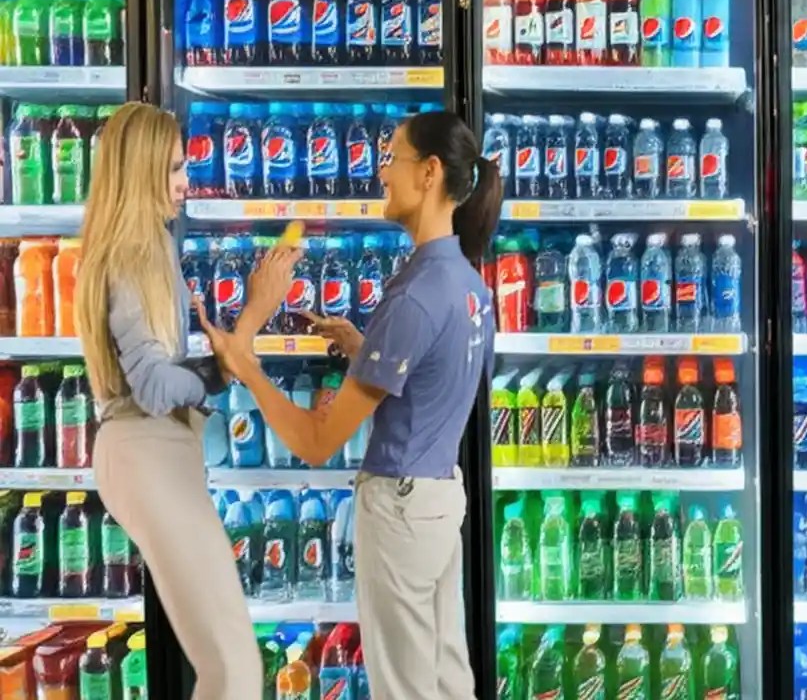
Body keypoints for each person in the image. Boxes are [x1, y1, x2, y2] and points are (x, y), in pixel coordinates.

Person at [201, 111, 499, 700]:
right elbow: (437, 380)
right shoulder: (468, 282)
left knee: (404, 689)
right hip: (440, 500)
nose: (381, 170)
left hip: (400, 509)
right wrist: (366, 350)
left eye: (392, 158)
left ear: (430, 173)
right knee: (445, 680)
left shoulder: (413, 294)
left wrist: (246, 364)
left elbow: (317, 442)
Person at [75, 102, 275, 698]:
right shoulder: (137, 254)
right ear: (140, 175)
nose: (186, 182)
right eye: (174, 169)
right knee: (233, 665)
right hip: (146, 450)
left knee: (228, 660)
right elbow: (157, 387)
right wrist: (220, 369)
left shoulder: (134, 247)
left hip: (150, 453)